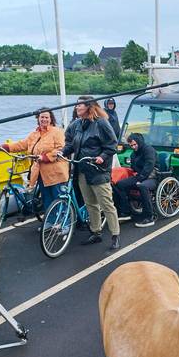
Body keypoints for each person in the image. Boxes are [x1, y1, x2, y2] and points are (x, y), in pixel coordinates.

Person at [63, 95, 120, 250]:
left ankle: (115, 235)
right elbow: (70, 143)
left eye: (79, 105)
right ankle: (96, 232)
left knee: (106, 203)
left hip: (98, 170)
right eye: (76, 105)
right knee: (90, 204)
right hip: (82, 170)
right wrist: (61, 152)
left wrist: (102, 157)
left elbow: (113, 144)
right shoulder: (76, 124)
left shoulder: (101, 123)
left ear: (89, 106)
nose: (77, 107)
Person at [0, 109, 68, 213]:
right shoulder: (34, 134)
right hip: (40, 173)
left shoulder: (57, 132)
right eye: (41, 117)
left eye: (46, 117)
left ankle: (64, 223)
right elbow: (22, 144)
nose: (44, 119)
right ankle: (50, 222)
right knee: (46, 199)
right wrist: (4, 147)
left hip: (55, 172)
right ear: (38, 119)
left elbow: (61, 149)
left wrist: (45, 157)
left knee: (58, 198)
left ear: (51, 119)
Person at [113, 133, 158, 228]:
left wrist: (140, 179)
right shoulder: (133, 154)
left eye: (135, 144)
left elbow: (149, 167)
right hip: (140, 176)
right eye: (131, 145)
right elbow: (133, 167)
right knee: (119, 184)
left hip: (152, 177)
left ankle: (149, 216)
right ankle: (126, 211)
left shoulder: (149, 150)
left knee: (142, 186)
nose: (133, 147)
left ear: (140, 142)